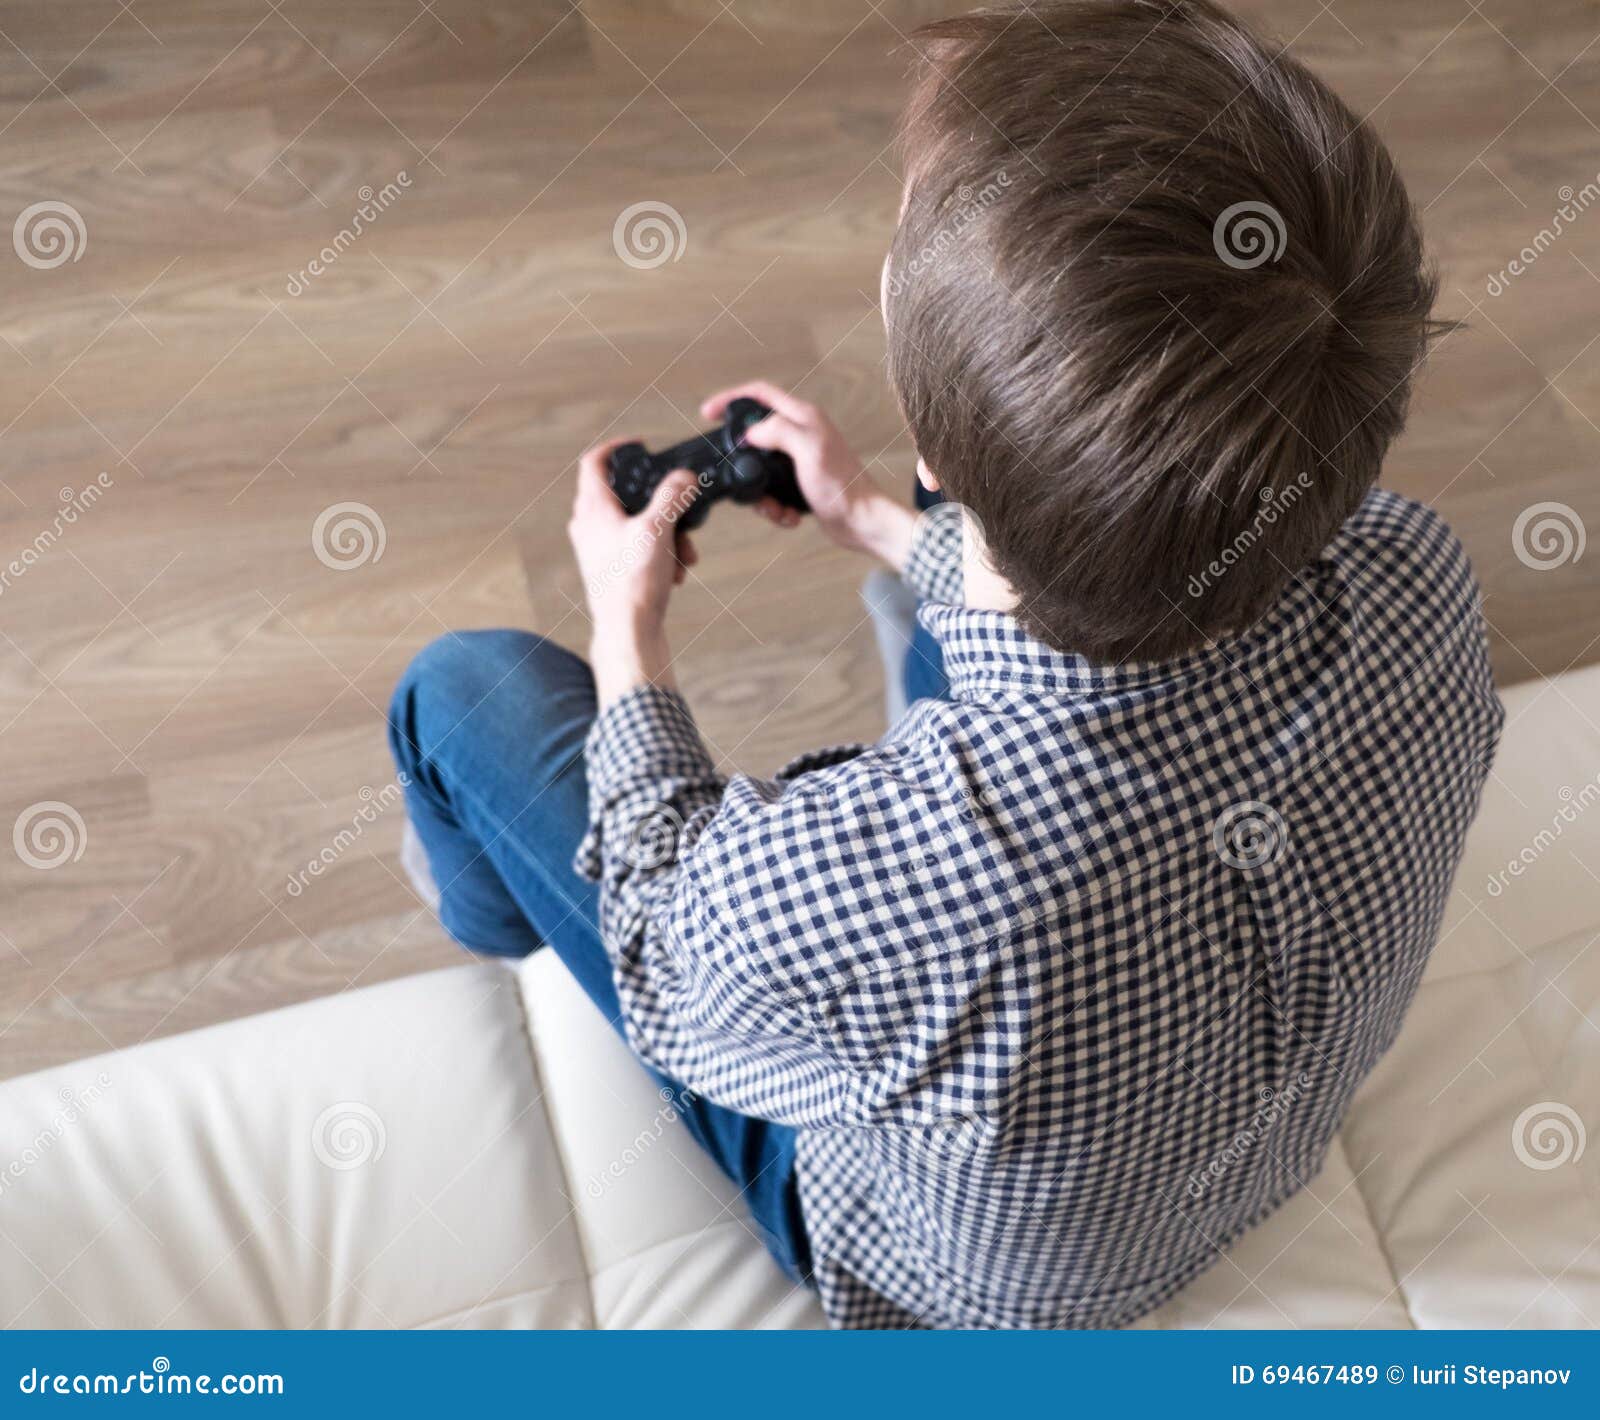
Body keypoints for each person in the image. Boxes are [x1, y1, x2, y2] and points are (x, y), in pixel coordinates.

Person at [388, 0, 1503, 1328]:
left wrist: (626, 626)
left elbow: (668, 957)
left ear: (941, 442)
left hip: (947, 1289)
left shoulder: (857, 879)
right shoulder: (1419, 576)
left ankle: (495, 924)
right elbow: (1124, 630)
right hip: (1235, 1161)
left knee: (463, 691)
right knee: (927, 633)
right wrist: (874, 521)